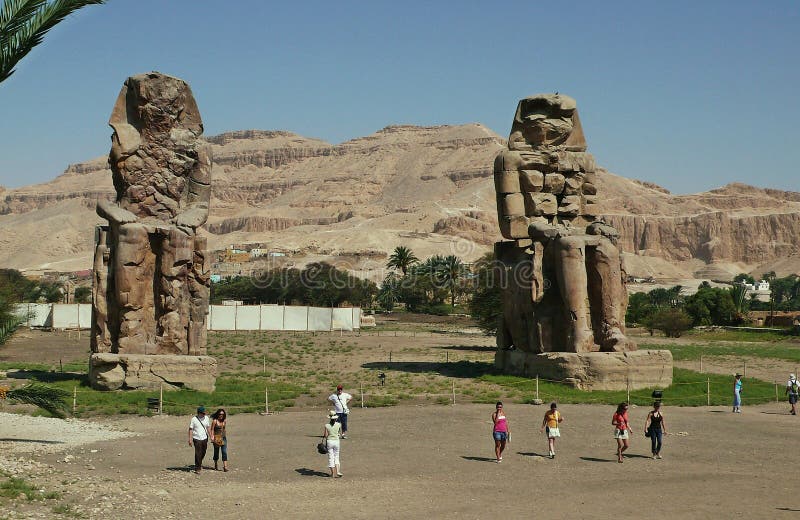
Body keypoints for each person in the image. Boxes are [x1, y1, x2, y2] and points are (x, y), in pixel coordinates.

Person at [188, 406, 211, 474]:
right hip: (197, 438)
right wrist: (190, 439)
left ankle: (199, 463)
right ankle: (198, 468)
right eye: (203, 413)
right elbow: (190, 429)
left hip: (204, 438)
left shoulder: (206, 418)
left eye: (204, 413)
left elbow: (208, 427)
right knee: (198, 453)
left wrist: (211, 436)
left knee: (203, 452)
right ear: (199, 413)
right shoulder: (194, 419)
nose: (204, 414)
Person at [322, 410, 343, 478]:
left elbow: (325, 435)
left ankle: (333, 473)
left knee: (331, 457)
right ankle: (338, 471)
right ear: (336, 418)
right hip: (337, 441)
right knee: (337, 456)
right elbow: (338, 433)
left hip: (329, 441)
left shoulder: (327, 425)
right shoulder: (339, 424)